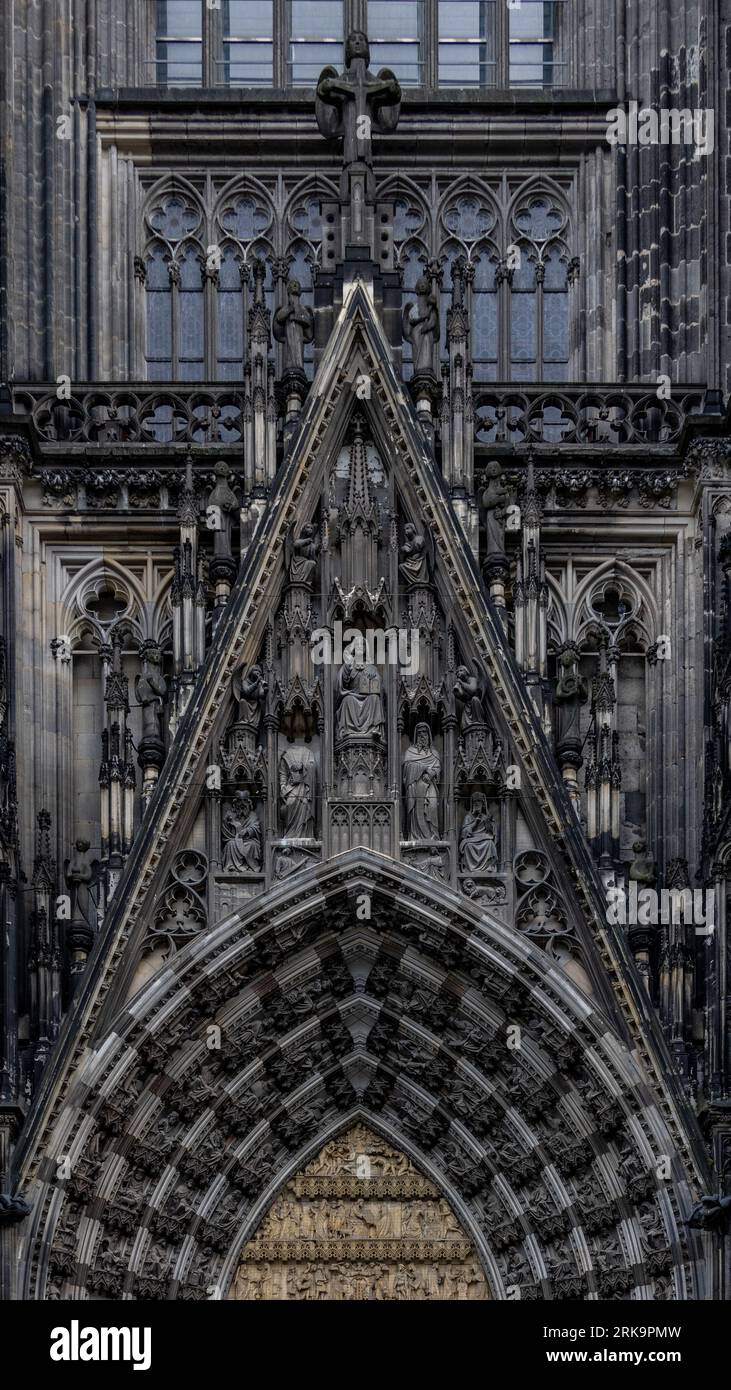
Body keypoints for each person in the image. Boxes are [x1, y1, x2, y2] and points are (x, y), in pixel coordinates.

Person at [403, 723, 441, 840]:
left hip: (430, 785)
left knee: (432, 807)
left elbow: (438, 768)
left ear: (428, 734)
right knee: (417, 810)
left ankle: (432, 835)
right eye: (419, 733)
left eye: (424, 732)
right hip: (415, 786)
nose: (422, 735)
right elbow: (407, 768)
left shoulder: (434, 753)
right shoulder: (410, 751)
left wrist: (432, 773)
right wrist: (424, 769)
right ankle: (416, 836)